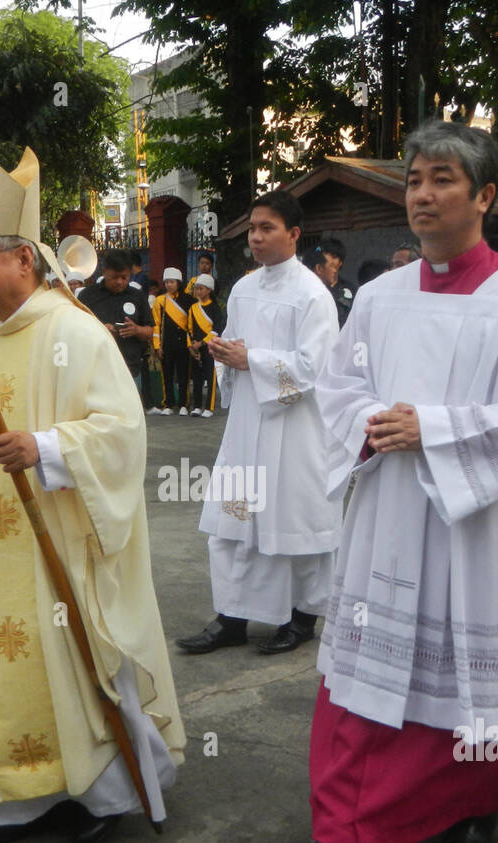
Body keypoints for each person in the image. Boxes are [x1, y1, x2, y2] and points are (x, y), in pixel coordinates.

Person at [251, 120, 498, 843]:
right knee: (361, 682)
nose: (424, 194)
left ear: (486, 196)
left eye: (442, 178)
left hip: (483, 521)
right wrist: (375, 427)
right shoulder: (377, 297)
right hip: (394, 514)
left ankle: (474, 805)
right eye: (413, 179)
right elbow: (339, 388)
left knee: (472, 673)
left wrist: (433, 430)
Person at [0, 137, 184, 843]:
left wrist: (42, 448)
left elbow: (121, 432)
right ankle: (23, 794)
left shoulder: (77, 332)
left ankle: (104, 793)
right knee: (7, 661)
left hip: (62, 540)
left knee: (74, 658)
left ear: (22, 257)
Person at [176, 190, 342, 656]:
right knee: (234, 522)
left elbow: (315, 368)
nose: (256, 237)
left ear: (293, 234)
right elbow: (234, 346)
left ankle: (302, 616)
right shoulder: (245, 289)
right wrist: (223, 355)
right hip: (248, 425)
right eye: (252, 228)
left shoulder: (313, 296)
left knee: (293, 523)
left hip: (294, 430)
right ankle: (232, 616)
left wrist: (253, 361)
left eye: (267, 228)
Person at [78, 248, 159, 412]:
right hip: (96, 371)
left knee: (129, 416)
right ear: (104, 272)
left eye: (125, 277)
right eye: (115, 277)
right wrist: (101, 329)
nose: (120, 282)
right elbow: (76, 330)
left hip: (130, 369)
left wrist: (136, 330)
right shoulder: (87, 296)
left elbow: (150, 332)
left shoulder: (137, 296)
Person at [152, 267, 195, 415]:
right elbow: (156, 325)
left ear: (178, 283)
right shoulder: (160, 301)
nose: (169, 285)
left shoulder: (188, 300)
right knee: (167, 375)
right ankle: (168, 404)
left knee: (183, 375)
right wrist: (157, 346)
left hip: (183, 344)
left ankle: (184, 404)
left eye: (172, 282)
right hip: (166, 344)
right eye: (166, 282)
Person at [186, 272, 224, 417]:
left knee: (210, 376)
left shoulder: (215, 308)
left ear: (209, 290)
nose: (198, 291)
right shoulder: (193, 308)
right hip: (195, 348)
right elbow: (189, 328)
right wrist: (191, 345)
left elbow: (216, 330)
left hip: (209, 347)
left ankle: (209, 406)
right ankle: (196, 406)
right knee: (196, 377)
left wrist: (202, 343)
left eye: (201, 288)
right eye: (197, 288)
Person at [303, 236, 353, 326]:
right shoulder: (309, 288)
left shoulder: (351, 289)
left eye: (333, 256)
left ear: (340, 262)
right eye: (325, 253)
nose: (329, 258)